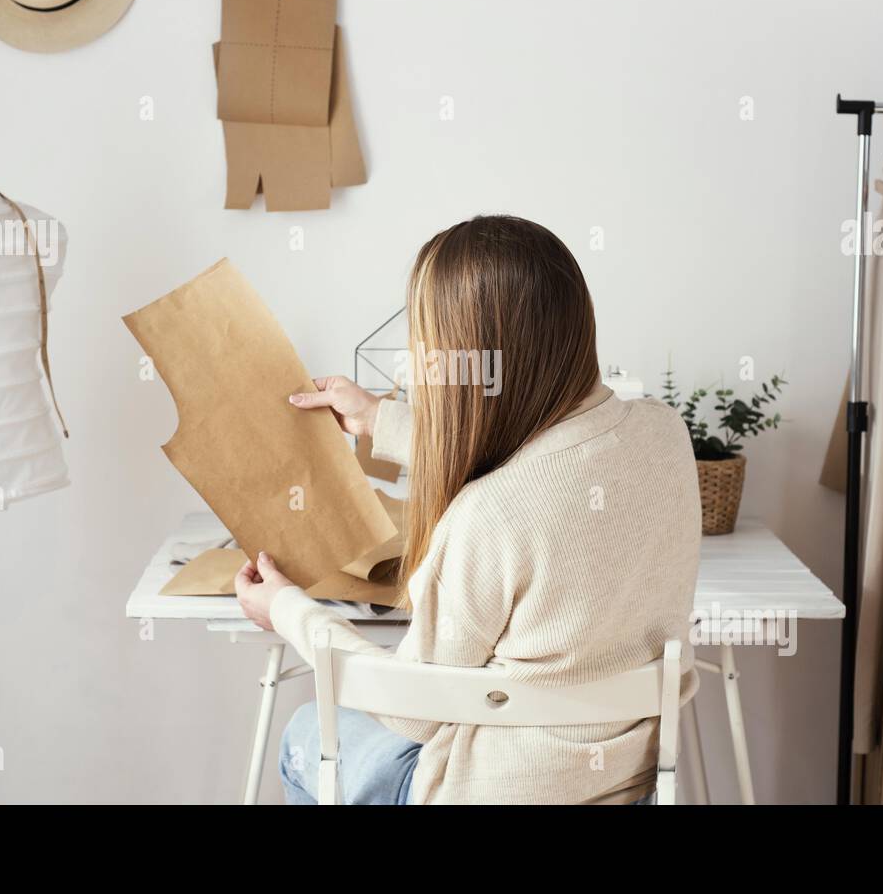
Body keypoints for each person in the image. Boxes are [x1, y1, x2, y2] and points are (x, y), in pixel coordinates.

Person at [235, 215, 701, 804]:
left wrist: (286, 610)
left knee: (305, 729)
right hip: (625, 786)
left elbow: (410, 715)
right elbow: (546, 455)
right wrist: (379, 419)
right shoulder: (663, 435)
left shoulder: (489, 516)